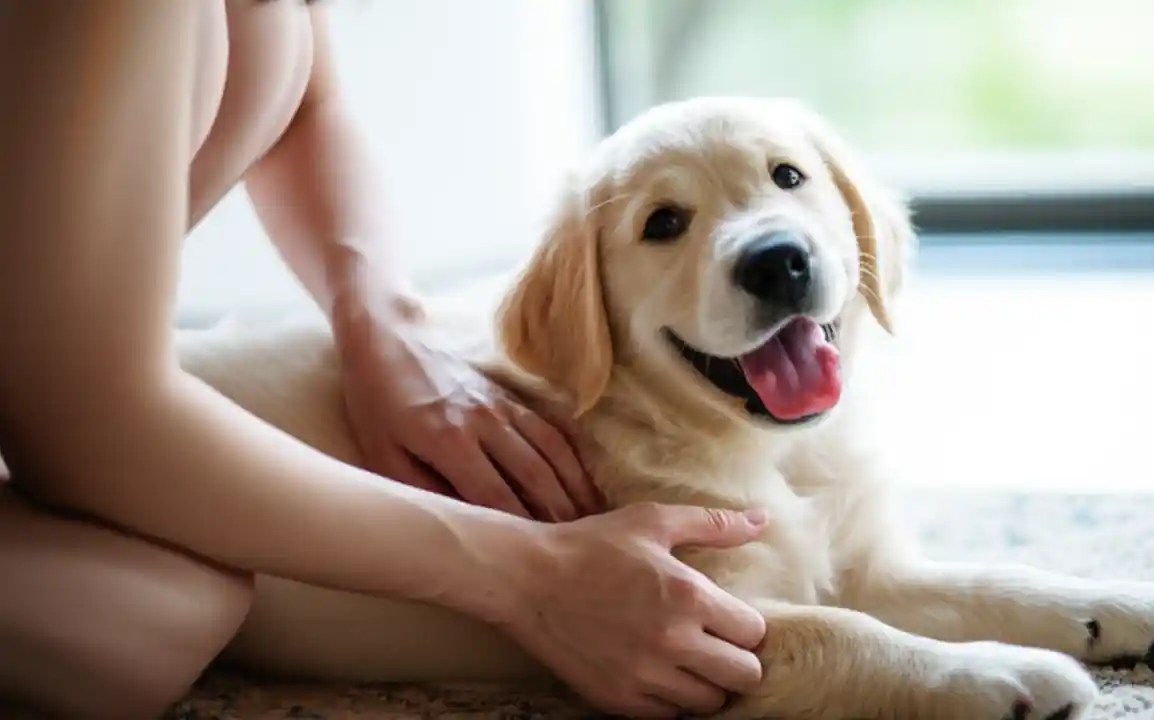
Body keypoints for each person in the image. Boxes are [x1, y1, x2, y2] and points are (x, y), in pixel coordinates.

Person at [0, 4, 768, 718]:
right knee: (138, 633)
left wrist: (384, 322)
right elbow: (86, 422)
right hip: (70, 408)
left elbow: (301, 99)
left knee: (167, 604)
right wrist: (532, 576)